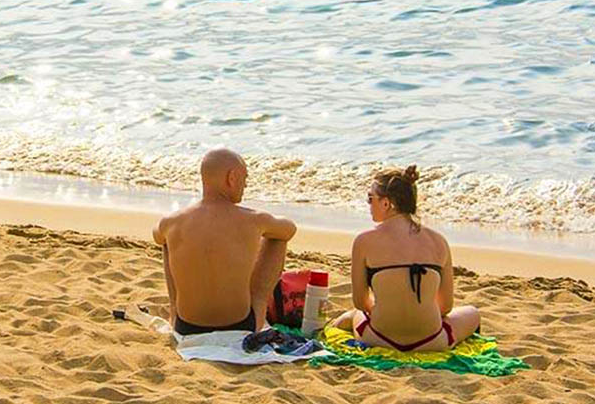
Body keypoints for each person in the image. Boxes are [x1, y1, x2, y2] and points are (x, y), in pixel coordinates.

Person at [332, 165, 480, 351]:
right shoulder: (438, 241)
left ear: (386, 203)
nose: (368, 205)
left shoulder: (364, 241)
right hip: (432, 342)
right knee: (472, 313)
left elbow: (361, 302)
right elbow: (445, 306)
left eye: (370, 199)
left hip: (379, 338)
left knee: (355, 314)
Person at [152, 148, 296, 334]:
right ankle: (259, 302)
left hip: (186, 326)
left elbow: (157, 234)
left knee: (167, 241)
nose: (245, 185)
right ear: (232, 178)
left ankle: (174, 311)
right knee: (278, 238)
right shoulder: (253, 220)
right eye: (245, 179)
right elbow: (289, 229)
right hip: (240, 325)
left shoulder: (172, 222)